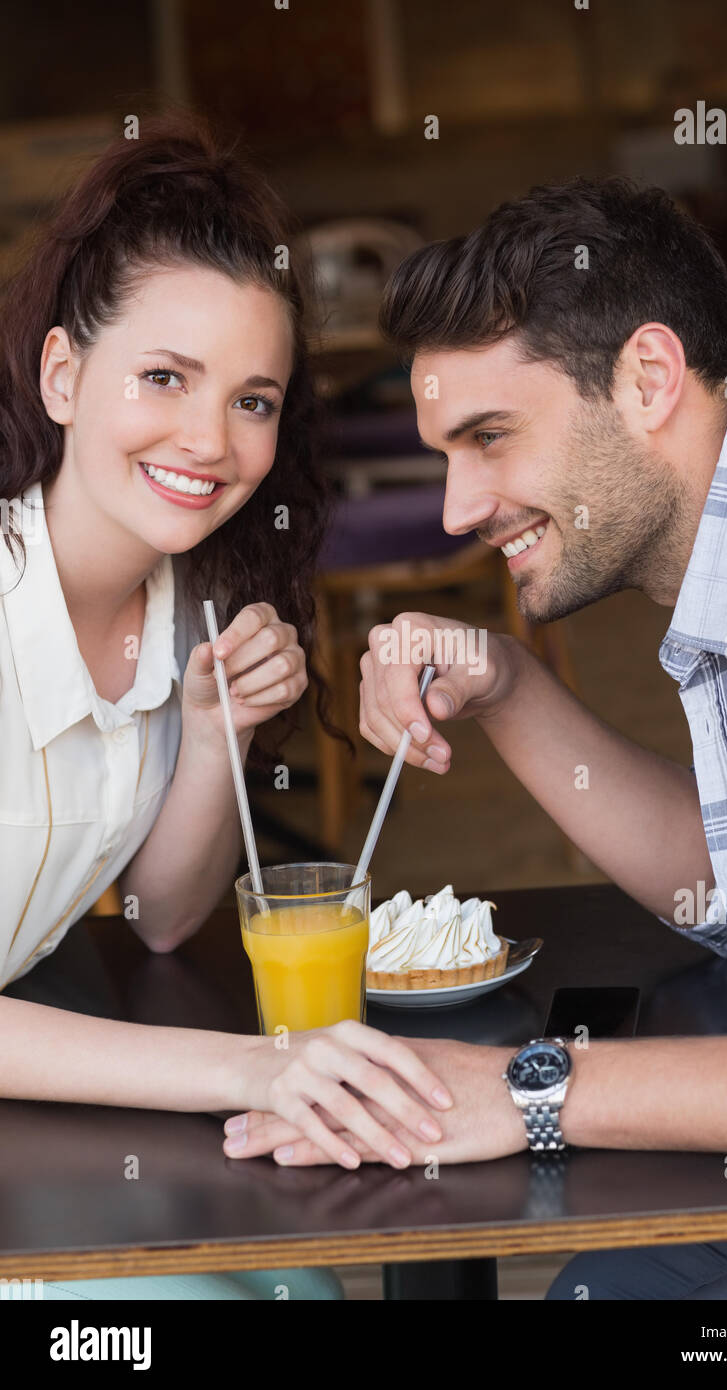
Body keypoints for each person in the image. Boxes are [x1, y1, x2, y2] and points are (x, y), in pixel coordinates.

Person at [225, 177, 727, 1299]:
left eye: (489, 437)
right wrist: (506, 688)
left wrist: (529, 1087)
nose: (455, 510)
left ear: (648, 378)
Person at [0, 114, 455, 1301]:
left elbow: (156, 915)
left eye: (253, 400)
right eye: (164, 378)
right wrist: (258, 1068)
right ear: (61, 375)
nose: (209, 440)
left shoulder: (188, 596)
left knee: (299, 1281)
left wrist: (210, 740)